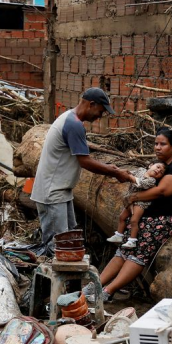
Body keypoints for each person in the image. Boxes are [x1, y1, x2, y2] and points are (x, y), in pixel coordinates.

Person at [89, 128, 172, 303]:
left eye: (163, 144)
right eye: (156, 143)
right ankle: (95, 286)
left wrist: (134, 197)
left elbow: (163, 191)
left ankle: (107, 291)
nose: (158, 147)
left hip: (167, 218)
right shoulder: (158, 166)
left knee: (139, 253)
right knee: (124, 249)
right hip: (147, 218)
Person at [30, 88, 132, 254]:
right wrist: (115, 172)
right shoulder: (73, 124)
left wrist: (113, 169)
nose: (100, 116)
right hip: (52, 193)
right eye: (100, 111)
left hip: (60, 191)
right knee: (58, 247)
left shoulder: (70, 118)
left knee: (69, 241)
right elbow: (85, 161)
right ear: (91, 104)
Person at [107, 161, 167, 248]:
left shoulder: (152, 180)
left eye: (161, 172)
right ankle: (119, 235)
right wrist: (118, 173)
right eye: (158, 167)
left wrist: (130, 177)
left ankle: (132, 240)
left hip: (141, 203)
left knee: (134, 220)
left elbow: (140, 184)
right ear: (150, 165)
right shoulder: (141, 170)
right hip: (130, 199)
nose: (158, 170)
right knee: (122, 217)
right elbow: (129, 174)